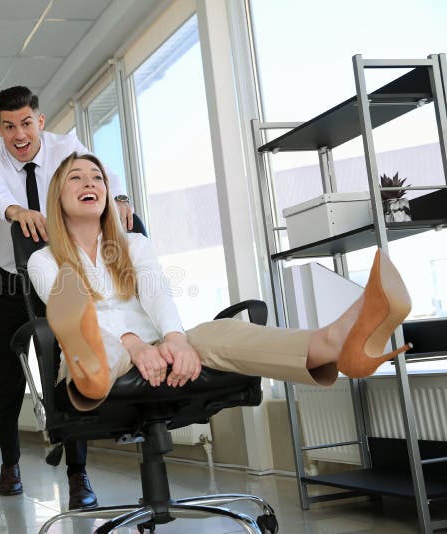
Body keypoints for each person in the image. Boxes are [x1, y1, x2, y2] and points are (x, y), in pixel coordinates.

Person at [27, 152, 413, 411]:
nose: (89, 182)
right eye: (75, 178)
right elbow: (89, 315)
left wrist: (176, 339)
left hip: (156, 341)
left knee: (216, 333)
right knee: (101, 343)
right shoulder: (42, 260)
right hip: (101, 348)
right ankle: (91, 371)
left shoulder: (135, 244)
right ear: (57, 197)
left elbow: (157, 294)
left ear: (108, 194)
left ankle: (335, 343)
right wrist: (132, 343)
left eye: (97, 177)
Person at [0, 85, 133, 509]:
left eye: (26, 123)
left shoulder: (66, 147)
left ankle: (78, 475)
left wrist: (119, 198)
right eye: (9, 127)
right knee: (8, 375)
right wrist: (16, 211)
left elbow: (99, 173)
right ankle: (10, 463)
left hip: (59, 276)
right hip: (7, 281)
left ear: (40, 120)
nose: (19, 134)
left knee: (71, 361)